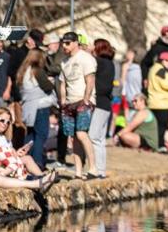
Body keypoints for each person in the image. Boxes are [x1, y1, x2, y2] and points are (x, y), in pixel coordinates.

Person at [57, 31, 97, 177]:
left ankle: (93, 168)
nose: (64, 46)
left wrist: (86, 99)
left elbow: (90, 79)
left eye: (67, 43)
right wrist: (63, 101)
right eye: (63, 43)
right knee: (73, 137)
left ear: (75, 43)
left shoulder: (86, 58)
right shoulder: (64, 62)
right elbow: (62, 83)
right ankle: (78, 171)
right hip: (69, 102)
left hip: (83, 100)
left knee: (81, 133)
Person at [15, 47, 57, 169]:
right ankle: (37, 162)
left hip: (27, 106)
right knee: (41, 135)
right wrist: (51, 81)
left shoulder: (22, 71)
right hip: (40, 106)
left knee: (31, 136)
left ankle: (26, 161)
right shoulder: (37, 71)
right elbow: (47, 87)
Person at [88, 38, 116, 178]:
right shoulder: (110, 63)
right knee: (100, 139)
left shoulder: (99, 62)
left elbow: (88, 60)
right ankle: (101, 170)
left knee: (93, 137)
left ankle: (98, 170)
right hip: (106, 105)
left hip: (100, 104)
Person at [145, 49, 168, 152]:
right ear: (164, 60)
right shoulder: (160, 70)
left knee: (158, 126)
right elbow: (167, 84)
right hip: (161, 103)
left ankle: (157, 145)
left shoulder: (154, 69)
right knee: (161, 126)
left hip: (157, 102)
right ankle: (160, 146)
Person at [120, 47, 142, 112]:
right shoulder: (125, 65)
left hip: (137, 89)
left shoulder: (138, 65)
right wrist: (123, 91)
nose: (129, 55)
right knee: (127, 109)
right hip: (128, 91)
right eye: (128, 53)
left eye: (131, 53)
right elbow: (123, 78)